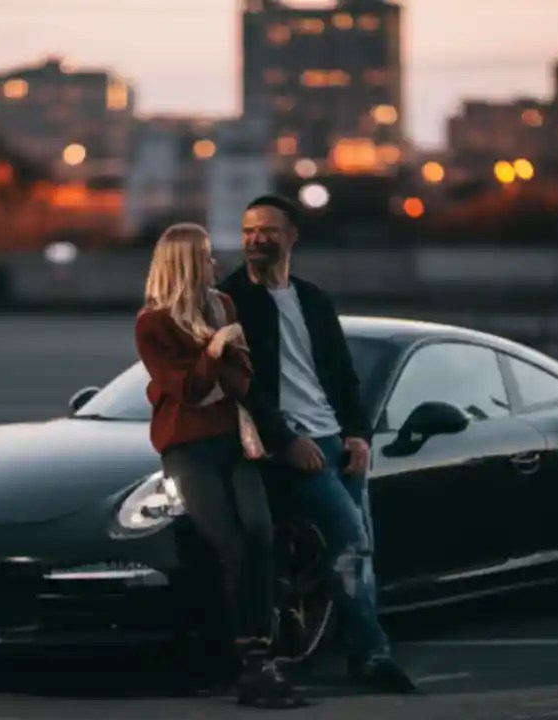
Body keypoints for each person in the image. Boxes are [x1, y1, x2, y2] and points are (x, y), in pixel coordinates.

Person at [218, 195, 418, 694]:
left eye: (267, 230)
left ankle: (362, 650)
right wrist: (287, 443)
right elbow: (244, 387)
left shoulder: (313, 300)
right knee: (351, 542)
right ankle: (372, 656)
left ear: (291, 237)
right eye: (247, 231)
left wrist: (358, 434)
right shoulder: (229, 301)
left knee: (359, 548)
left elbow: (344, 376)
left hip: (335, 441)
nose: (255, 240)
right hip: (290, 449)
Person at [133, 222, 307, 709]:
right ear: (185, 261)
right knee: (229, 545)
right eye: (206, 256)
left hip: (235, 442)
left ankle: (262, 655)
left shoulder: (223, 306)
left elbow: (241, 376)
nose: (214, 262)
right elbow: (185, 390)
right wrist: (213, 349)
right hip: (187, 448)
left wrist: (215, 362)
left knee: (260, 531)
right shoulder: (153, 323)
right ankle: (251, 662)